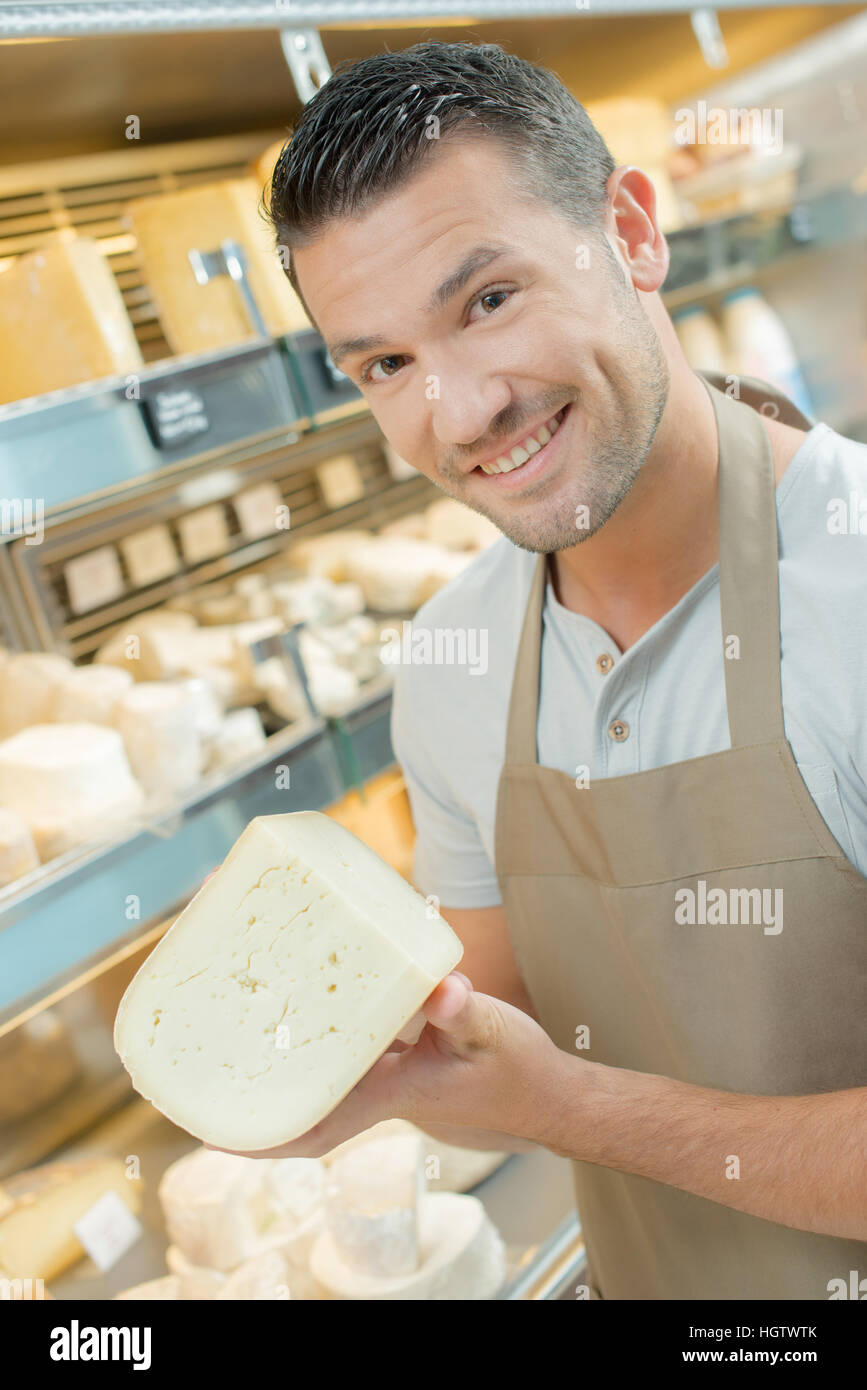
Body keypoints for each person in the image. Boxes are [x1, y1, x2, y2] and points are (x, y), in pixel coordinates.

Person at [233, 40, 866, 1299]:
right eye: (386, 366)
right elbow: (490, 1060)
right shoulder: (453, 671)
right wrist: (376, 1066)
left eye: (487, 300)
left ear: (630, 232)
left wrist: (574, 1105)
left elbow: (553, 1097)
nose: (460, 412)